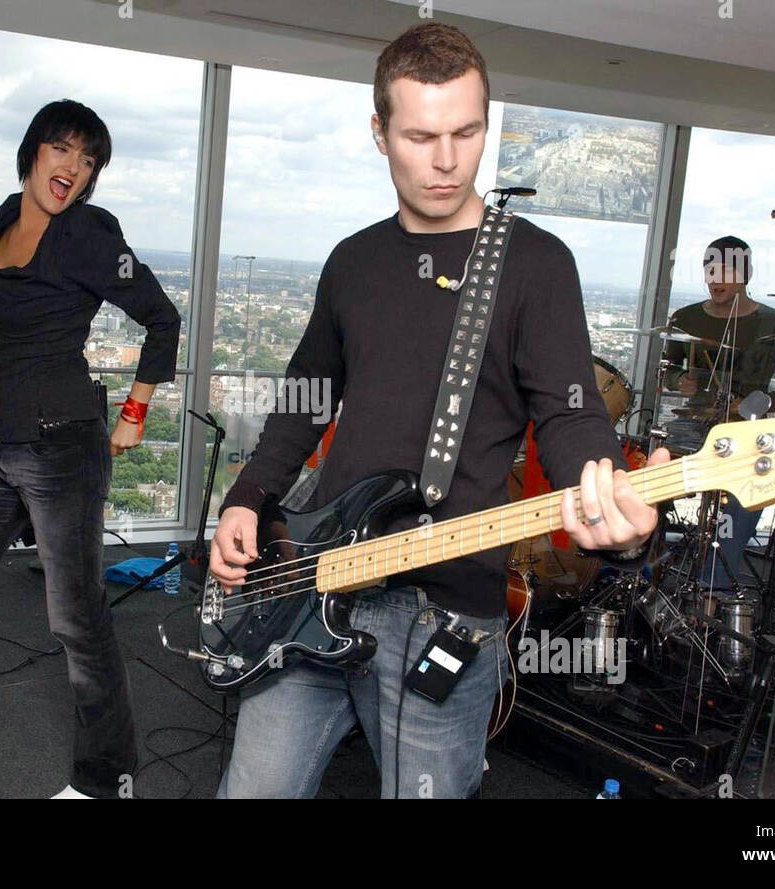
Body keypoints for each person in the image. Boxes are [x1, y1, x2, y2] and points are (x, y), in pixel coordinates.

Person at [208, 22, 666, 799]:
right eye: (421, 135)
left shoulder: (535, 264)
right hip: (316, 583)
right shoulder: (353, 260)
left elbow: (570, 412)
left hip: (445, 614)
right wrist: (248, 496)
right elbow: (303, 399)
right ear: (378, 132)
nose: (448, 160)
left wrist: (606, 494)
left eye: (468, 131)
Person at [0, 100, 181, 798]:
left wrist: (135, 409)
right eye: (63, 149)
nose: (73, 168)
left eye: (88, 160)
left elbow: (162, 318)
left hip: (62, 451)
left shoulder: (87, 233)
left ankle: (106, 777)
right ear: (33, 152)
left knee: (74, 620)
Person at [662, 235, 775, 589]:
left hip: (745, 429)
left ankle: (715, 583)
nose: (714, 280)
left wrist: (762, 402)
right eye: (709, 271)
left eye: (724, 271)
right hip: (692, 426)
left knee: (753, 485)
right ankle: (643, 570)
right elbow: (665, 370)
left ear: (745, 274)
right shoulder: (685, 318)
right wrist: (681, 380)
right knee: (650, 467)